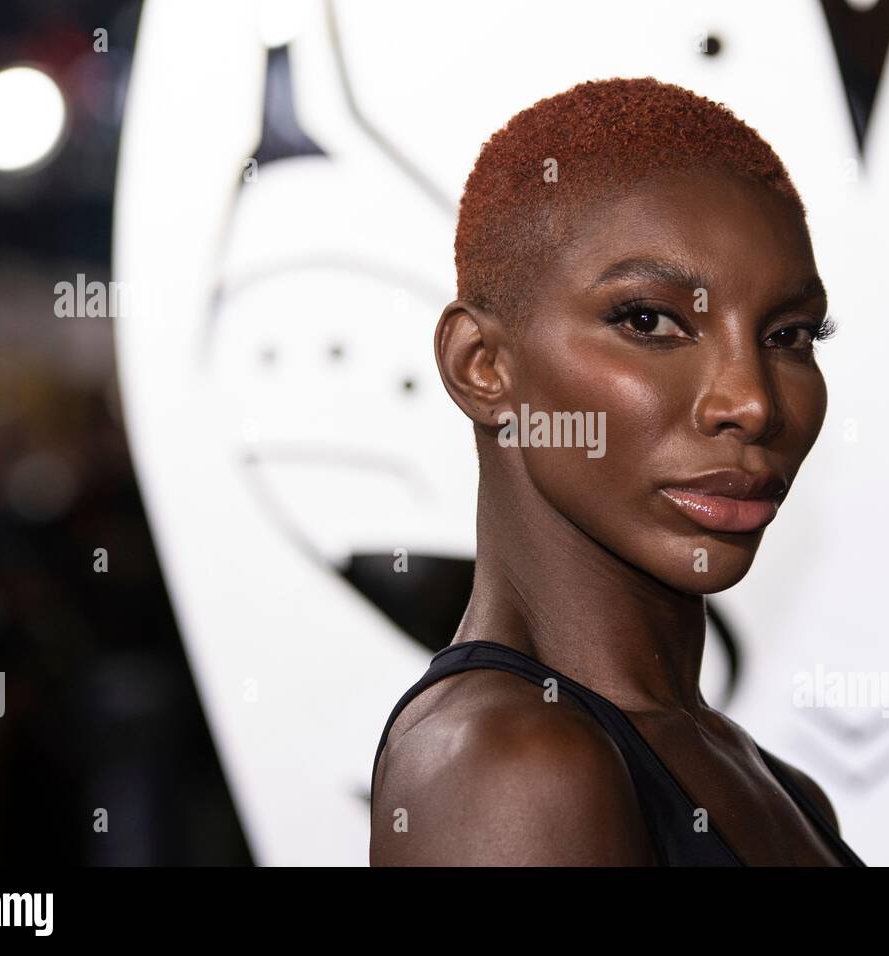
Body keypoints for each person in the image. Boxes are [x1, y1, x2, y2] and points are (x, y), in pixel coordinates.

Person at [369, 76, 864, 866]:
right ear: (482, 366)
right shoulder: (513, 766)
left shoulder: (783, 790)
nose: (751, 403)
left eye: (790, 335)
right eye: (650, 320)